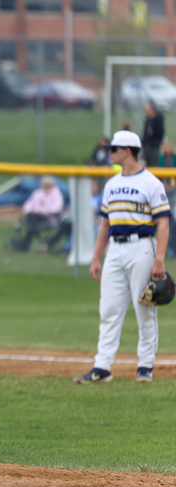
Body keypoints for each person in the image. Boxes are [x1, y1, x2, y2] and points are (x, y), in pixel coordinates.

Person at [74, 130, 170, 384]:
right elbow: (105, 225)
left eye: (114, 149)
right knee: (109, 309)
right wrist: (96, 257)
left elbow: (162, 223)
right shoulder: (112, 184)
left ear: (127, 151)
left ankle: (145, 367)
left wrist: (159, 258)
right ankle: (102, 367)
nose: (110, 153)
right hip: (115, 250)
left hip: (142, 247)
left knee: (145, 308)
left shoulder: (151, 182)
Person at [11, 176, 64, 252]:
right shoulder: (38, 193)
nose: (47, 187)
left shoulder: (57, 195)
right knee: (30, 216)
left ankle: (25, 244)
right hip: (36, 218)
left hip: (49, 219)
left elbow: (56, 208)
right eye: (45, 185)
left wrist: (42, 211)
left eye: (49, 185)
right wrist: (31, 210)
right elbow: (27, 204)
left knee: (31, 225)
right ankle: (28, 239)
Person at [142, 101, 165, 167]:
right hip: (147, 146)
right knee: (146, 164)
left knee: (154, 165)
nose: (146, 112)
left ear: (152, 109)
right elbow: (145, 133)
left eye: (147, 110)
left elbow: (161, 133)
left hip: (155, 147)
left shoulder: (158, 118)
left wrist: (153, 132)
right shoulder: (148, 119)